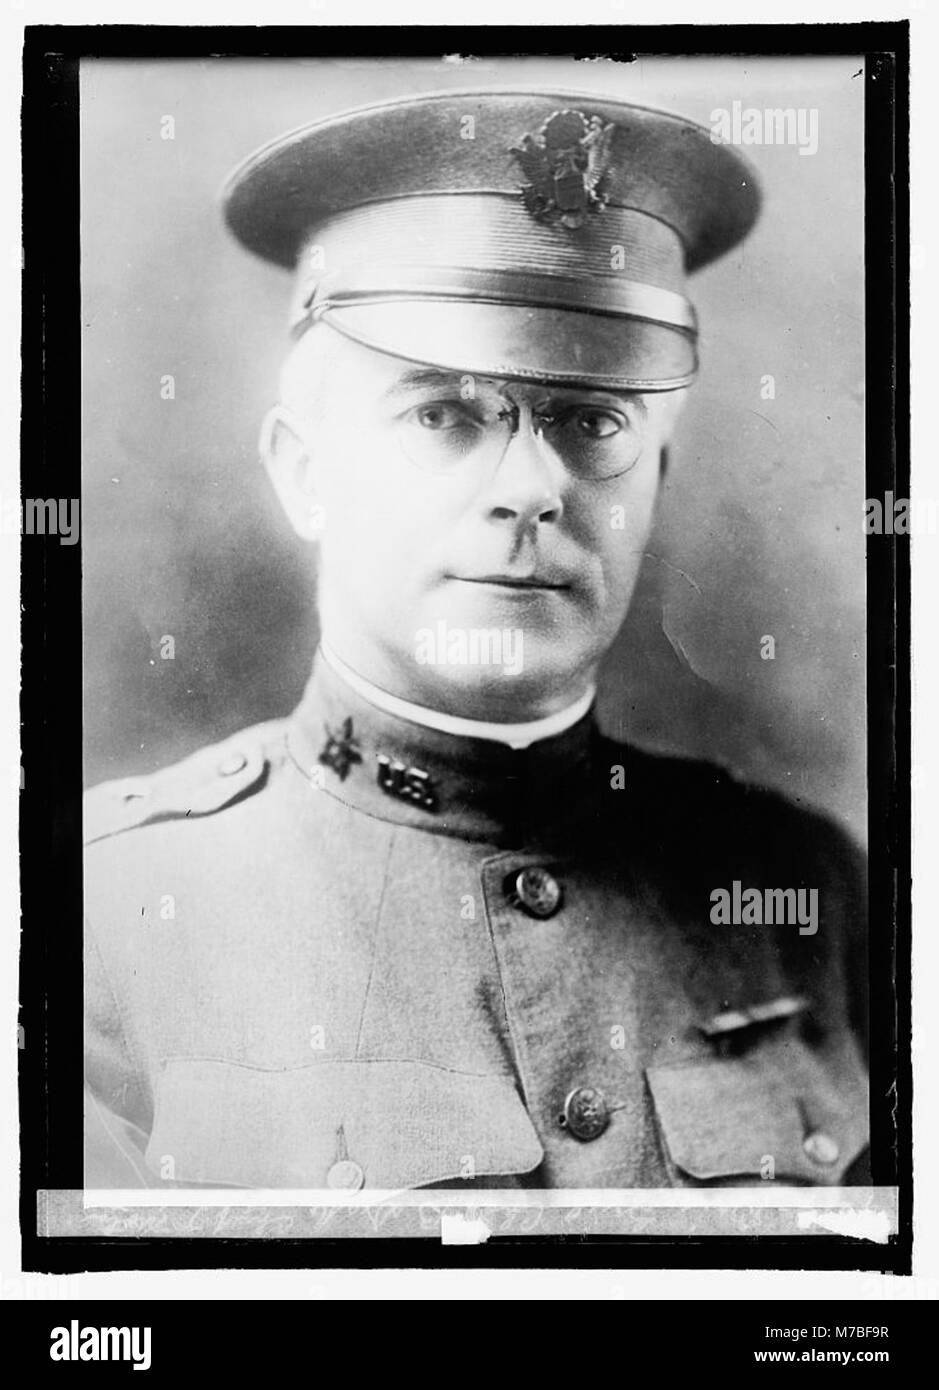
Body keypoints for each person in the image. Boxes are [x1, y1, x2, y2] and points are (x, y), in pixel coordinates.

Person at [84, 89, 869, 1191]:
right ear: (305, 474)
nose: (532, 489)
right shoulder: (102, 914)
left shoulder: (812, 891)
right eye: (443, 416)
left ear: (656, 480)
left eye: (592, 421)